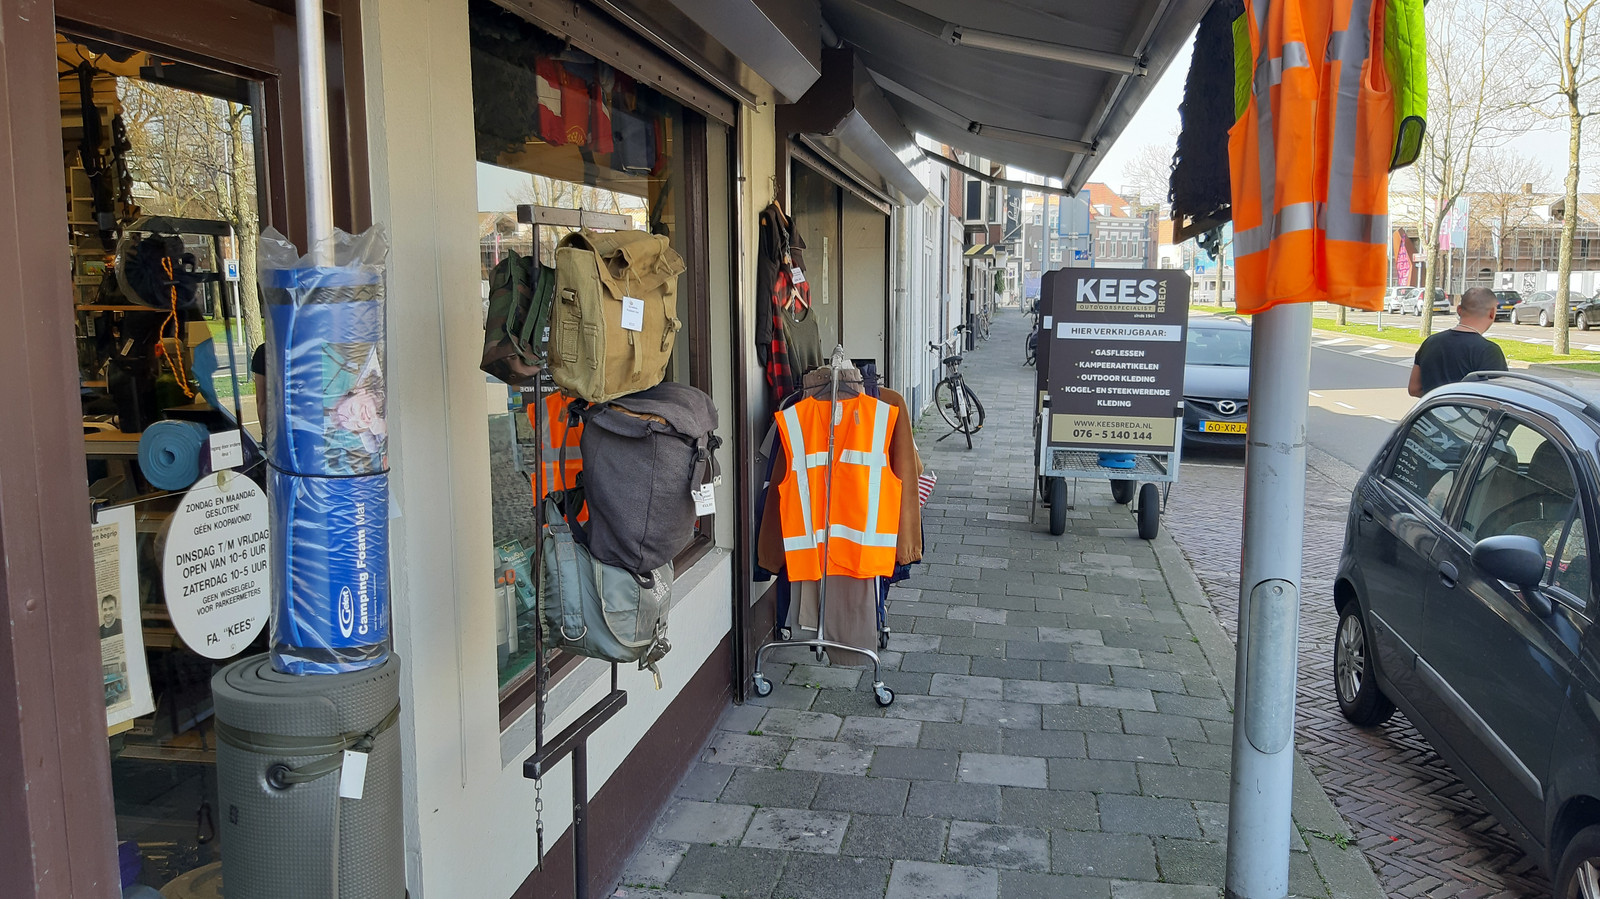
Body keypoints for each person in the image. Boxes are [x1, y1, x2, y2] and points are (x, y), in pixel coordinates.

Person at [1408, 287, 1508, 397]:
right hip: (1466, 414)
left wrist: (1438, 397)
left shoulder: (1430, 342)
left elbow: (1414, 389)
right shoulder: (1489, 351)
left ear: (1459, 310)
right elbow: (1498, 397)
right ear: (1492, 312)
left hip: (1431, 412)